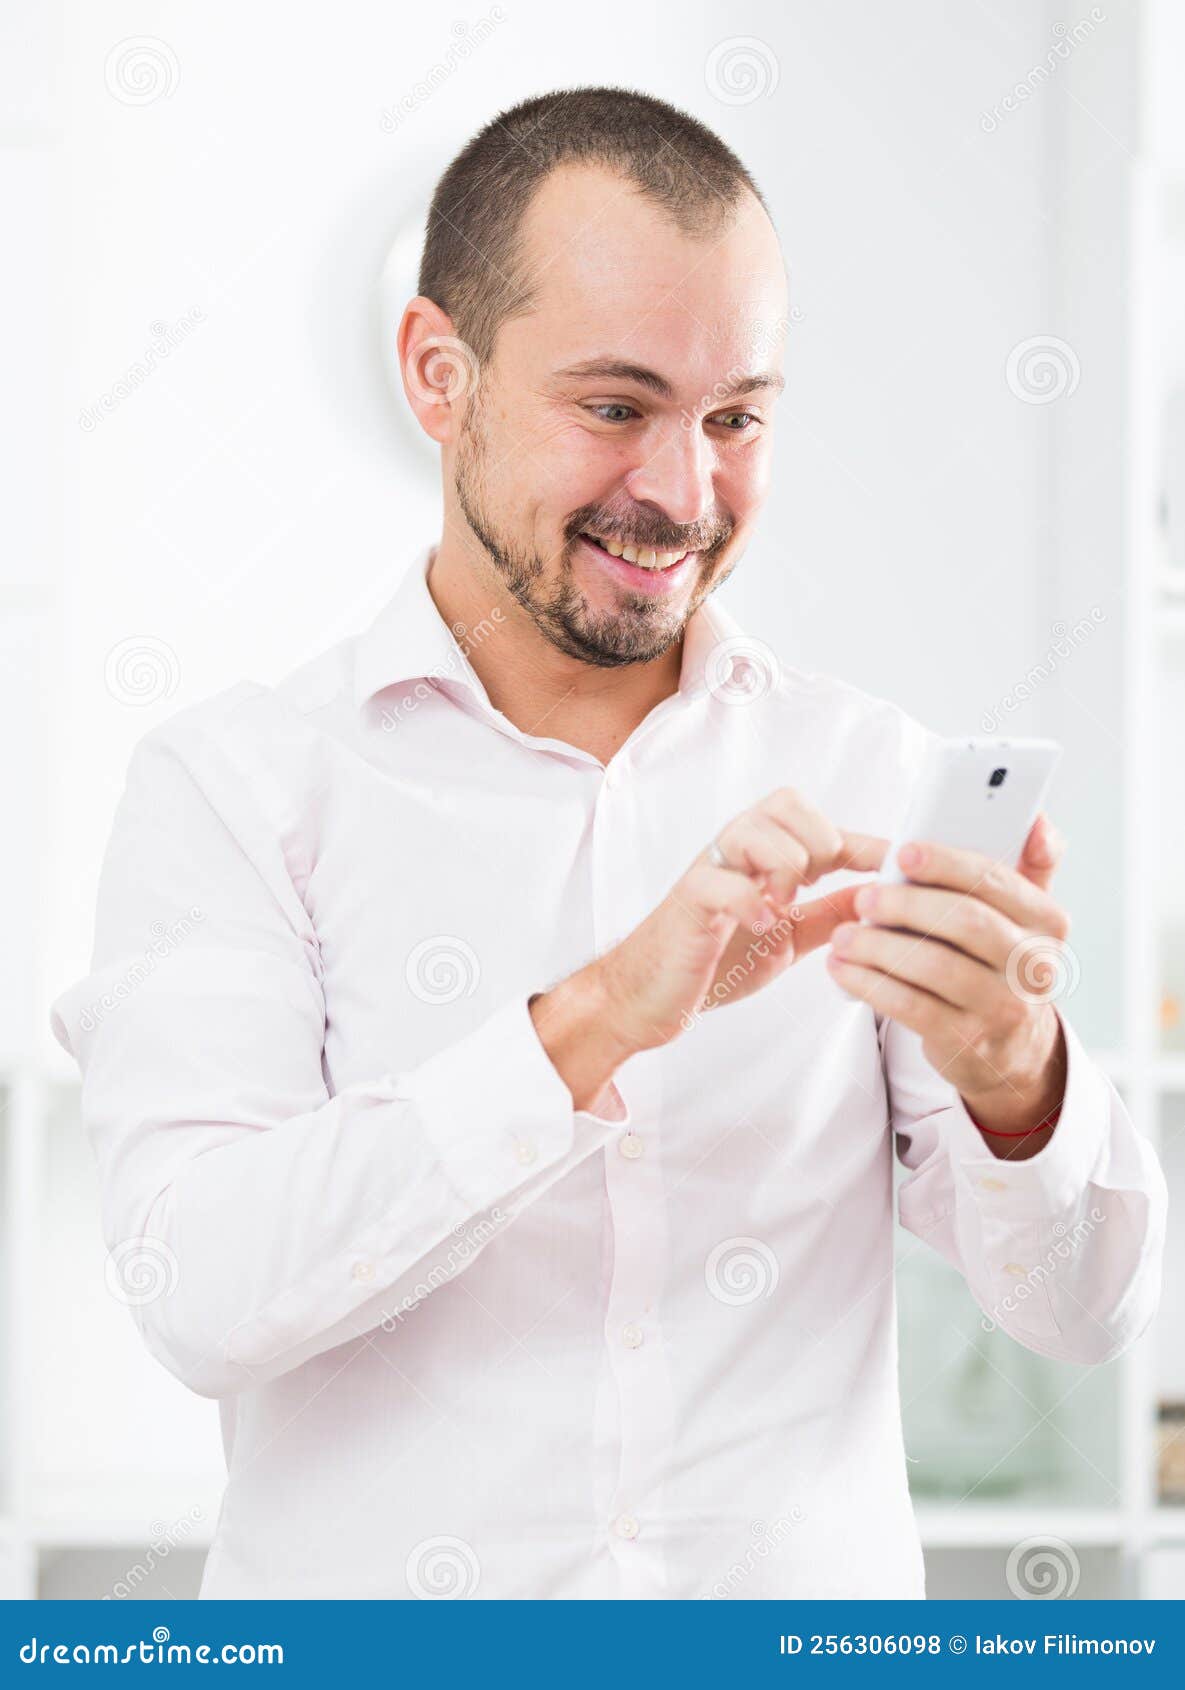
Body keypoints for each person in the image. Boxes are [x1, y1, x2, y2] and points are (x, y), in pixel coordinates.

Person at [51, 86, 1165, 1600]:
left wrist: (1019, 1086)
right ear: (438, 374)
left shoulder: (867, 773)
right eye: (615, 407)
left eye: (736, 418)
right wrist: (597, 1018)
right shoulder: (235, 790)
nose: (680, 492)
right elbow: (203, 1291)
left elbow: (1081, 1314)